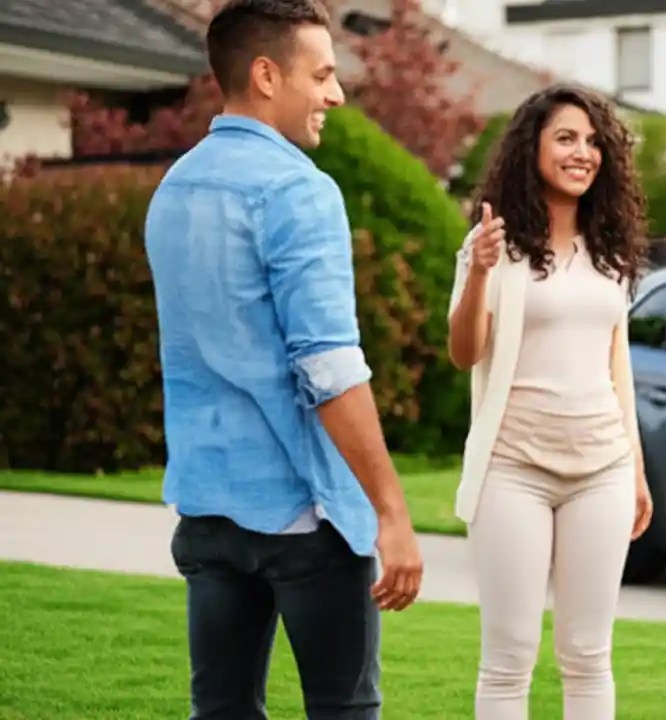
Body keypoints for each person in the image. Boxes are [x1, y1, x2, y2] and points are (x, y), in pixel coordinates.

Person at [144, 2, 423, 718]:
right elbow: (328, 365)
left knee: (222, 710)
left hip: (207, 512)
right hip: (308, 517)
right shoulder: (299, 188)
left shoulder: (173, 190)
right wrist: (391, 510)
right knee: (343, 709)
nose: (335, 94)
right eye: (323, 74)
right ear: (267, 75)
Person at [447, 83, 653, 720]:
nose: (583, 152)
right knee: (508, 660)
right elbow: (464, 351)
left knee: (589, 656)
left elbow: (617, 367)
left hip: (602, 472)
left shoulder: (612, 254)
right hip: (514, 470)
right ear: (530, 149)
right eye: (566, 138)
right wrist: (479, 270)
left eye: (593, 142)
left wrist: (637, 473)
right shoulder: (493, 247)